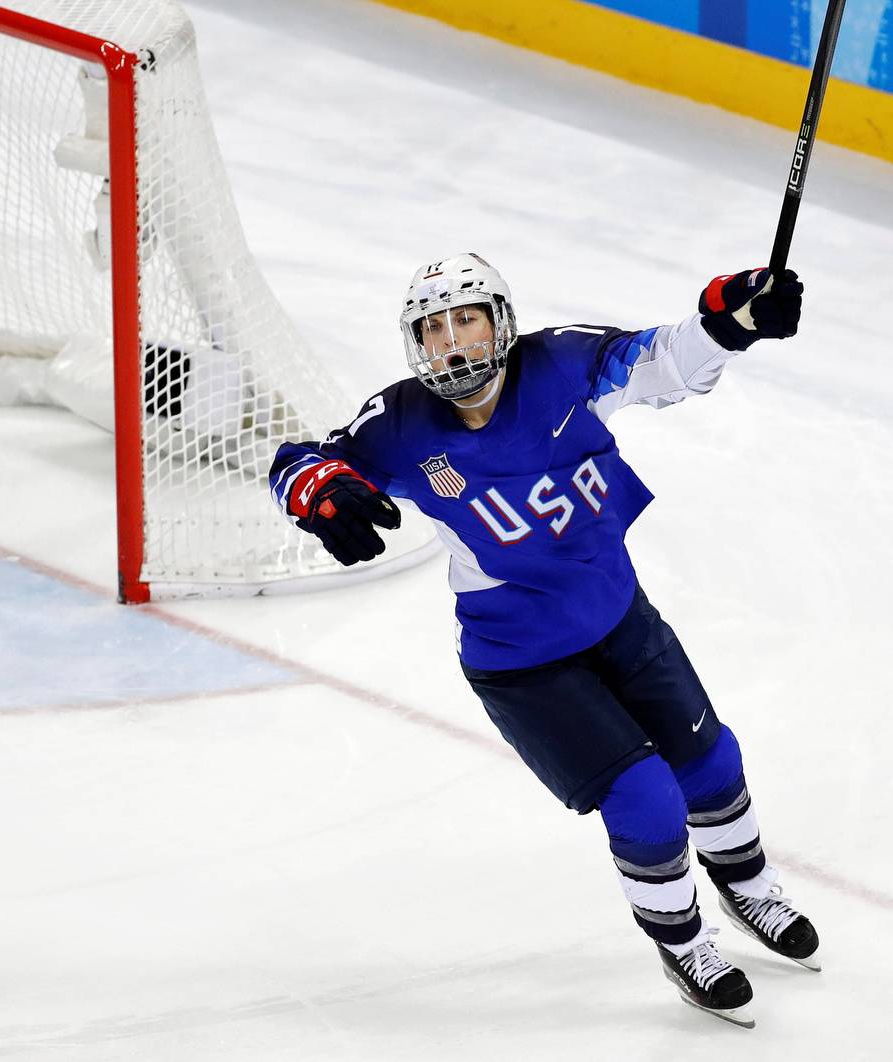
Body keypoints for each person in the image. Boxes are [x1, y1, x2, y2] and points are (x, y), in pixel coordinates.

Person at [269, 254, 817, 1028]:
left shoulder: (562, 366)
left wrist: (729, 322)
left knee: (713, 763)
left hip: (622, 618)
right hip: (525, 664)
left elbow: (664, 361)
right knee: (647, 799)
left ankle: (749, 887)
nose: (451, 344)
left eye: (465, 320)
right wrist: (318, 491)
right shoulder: (398, 428)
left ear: (501, 322)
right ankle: (684, 942)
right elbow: (301, 460)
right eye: (432, 330)